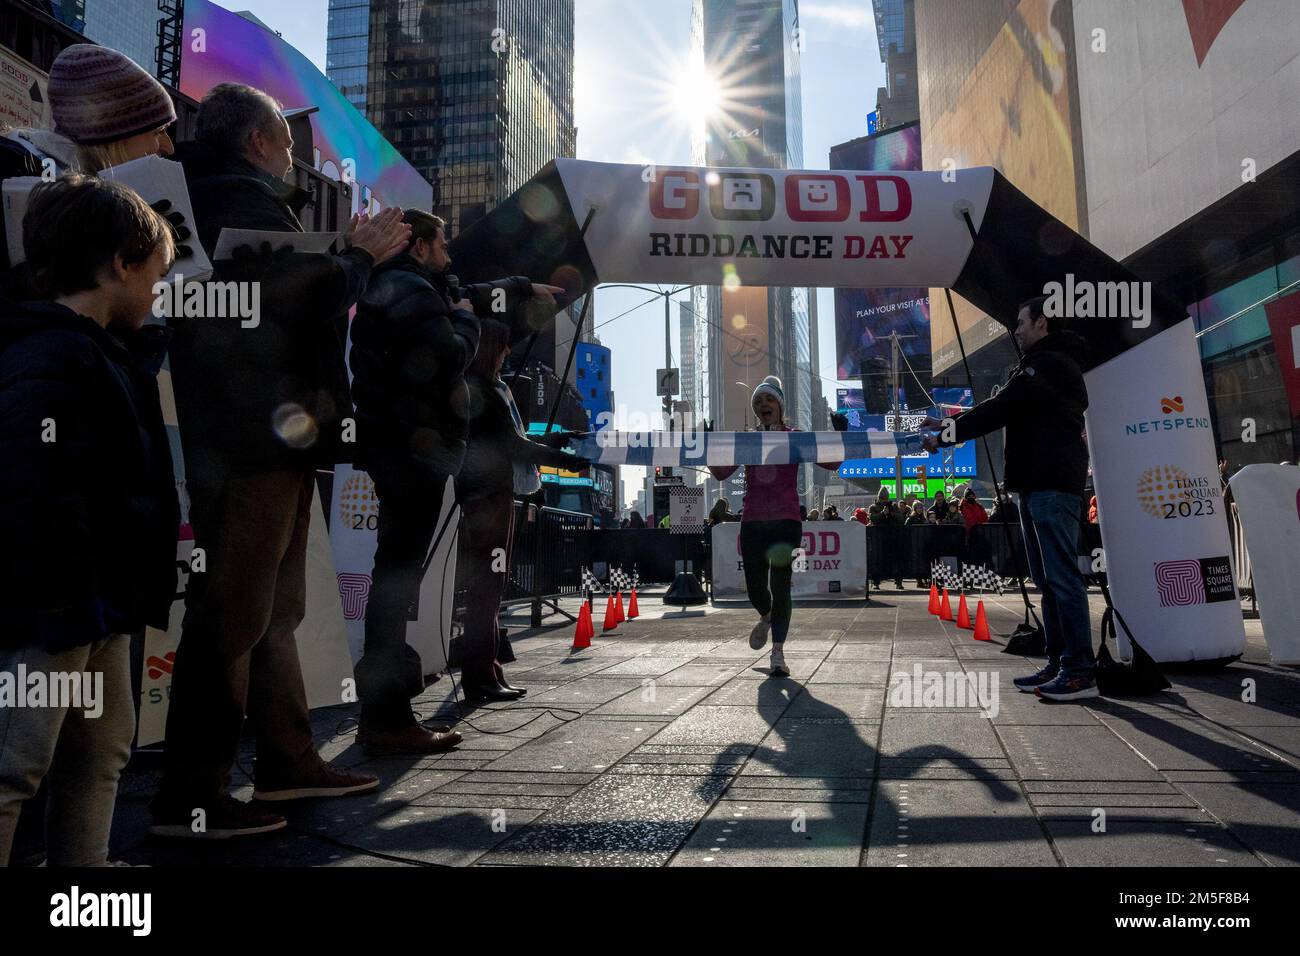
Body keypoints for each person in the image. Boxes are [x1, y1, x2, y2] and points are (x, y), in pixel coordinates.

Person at [153, 83, 412, 839]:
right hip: (250, 438)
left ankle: (289, 760)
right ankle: (192, 797)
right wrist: (355, 258)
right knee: (233, 613)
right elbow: (284, 301)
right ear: (260, 141)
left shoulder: (219, 195)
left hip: (270, 436)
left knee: (272, 611)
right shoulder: (230, 197)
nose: (294, 160)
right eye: (289, 145)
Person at [0, 176, 179, 864]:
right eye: (156, 275)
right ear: (120, 263)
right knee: (16, 763)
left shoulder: (100, 352)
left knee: (100, 755)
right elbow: (30, 489)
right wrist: (68, 596)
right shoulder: (51, 355)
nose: (160, 291)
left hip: (102, 605)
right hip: (56, 609)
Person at [921, 294, 1096, 701]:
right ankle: (1059, 662)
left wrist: (946, 434)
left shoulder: (1050, 364)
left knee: (1062, 579)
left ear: (1043, 323)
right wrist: (950, 423)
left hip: (1052, 485)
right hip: (1035, 486)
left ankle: (1079, 671)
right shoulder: (1039, 366)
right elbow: (1001, 407)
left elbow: (1001, 407)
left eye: (1020, 322)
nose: (1015, 330)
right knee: (1048, 580)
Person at [457, 317, 585, 702]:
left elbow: (517, 440)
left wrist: (555, 440)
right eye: (502, 346)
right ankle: (480, 677)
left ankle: (486, 670)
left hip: (492, 493)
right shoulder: (480, 391)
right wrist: (562, 460)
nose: (508, 352)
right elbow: (513, 446)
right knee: (487, 587)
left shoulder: (488, 388)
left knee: (491, 586)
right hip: (487, 496)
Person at [1, 45, 181, 301]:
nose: (168, 147)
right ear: (114, 133)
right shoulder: (14, 170)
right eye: (157, 131)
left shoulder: (97, 187)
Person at [708, 376, 841, 676]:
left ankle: (778, 653)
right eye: (758, 402)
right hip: (752, 522)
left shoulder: (796, 437)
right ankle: (765, 616)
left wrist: (840, 434)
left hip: (786, 523)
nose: (763, 405)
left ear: (780, 406)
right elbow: (719, 474)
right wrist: (708, 445)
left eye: (768, 400)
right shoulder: (748, 440)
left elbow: (832, 465)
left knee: (781, 588)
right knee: (756, 588)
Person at [868, 487, 905, 589]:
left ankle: (898, 582)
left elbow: (901, 518)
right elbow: (872, 518)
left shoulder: (893, 506)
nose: (884, 500)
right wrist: (882, 513)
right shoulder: (873, 507)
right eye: (882, 498)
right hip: (879, 537)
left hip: (892, 536)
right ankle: (876, 582)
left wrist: (890, 513)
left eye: (885, 498)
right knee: (877, 560)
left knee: (896, 560)